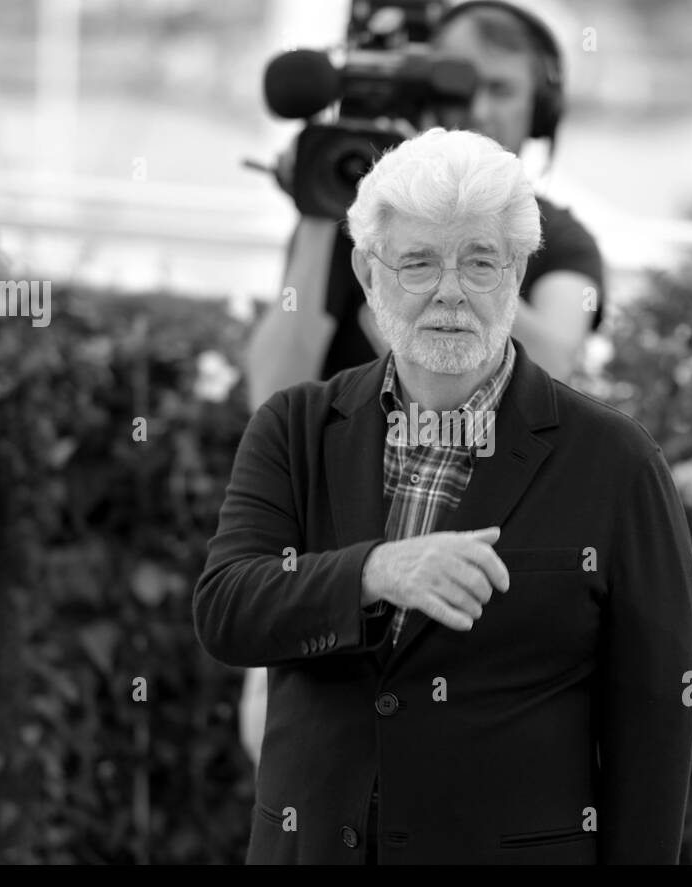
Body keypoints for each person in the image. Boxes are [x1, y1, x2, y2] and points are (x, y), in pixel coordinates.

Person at [193, 128, 692, 864]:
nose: (450, 290)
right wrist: (375, 574)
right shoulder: (295, 428)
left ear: (518, 271)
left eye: (481, 261)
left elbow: (655, 720)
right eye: (418, 261)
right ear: (368, 273)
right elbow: (228, 609)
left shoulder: (617, 462)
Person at [237, 0, 607, 766]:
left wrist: (425, 283)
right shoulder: (362, 231)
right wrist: (324, 211)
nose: (475, 108)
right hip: (324, 584)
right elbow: (270, 387)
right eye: (455, 87)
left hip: (483, 597)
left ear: (543, 109)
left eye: (500, 88)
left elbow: (556, 361)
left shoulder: (560, 238)